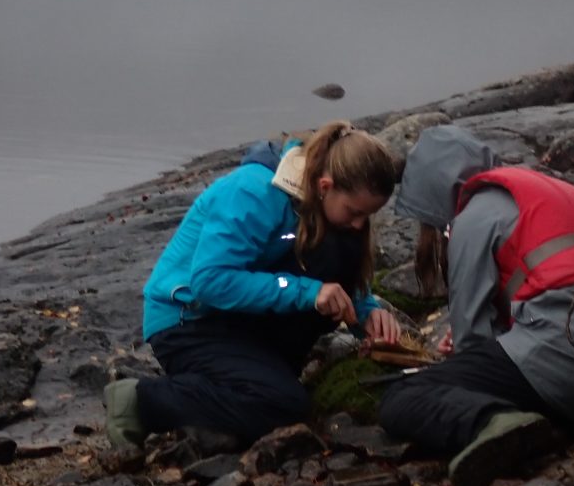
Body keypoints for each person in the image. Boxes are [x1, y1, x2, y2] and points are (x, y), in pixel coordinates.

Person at [378, 125, 574, 486]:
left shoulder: (473, 217)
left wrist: (468, 360)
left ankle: (495, 423)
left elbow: (472, 339)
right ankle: (544, 424)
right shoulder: (555, 192)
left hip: (564, 365)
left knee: (401, 397)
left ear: (432, 193)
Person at [104, 121, 401, 448]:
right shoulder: (254, 191)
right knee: (285, 406)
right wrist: (308, 292)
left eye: (367, 215)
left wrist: (366, 313)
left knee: (338, 244)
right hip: (188, 321)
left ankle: (246, 381)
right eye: (354, 212)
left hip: (239, 317)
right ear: (325, 186)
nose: (359, 223)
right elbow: (210, 281)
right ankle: (140, 400)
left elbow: (337, 266)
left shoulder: (322, 200)